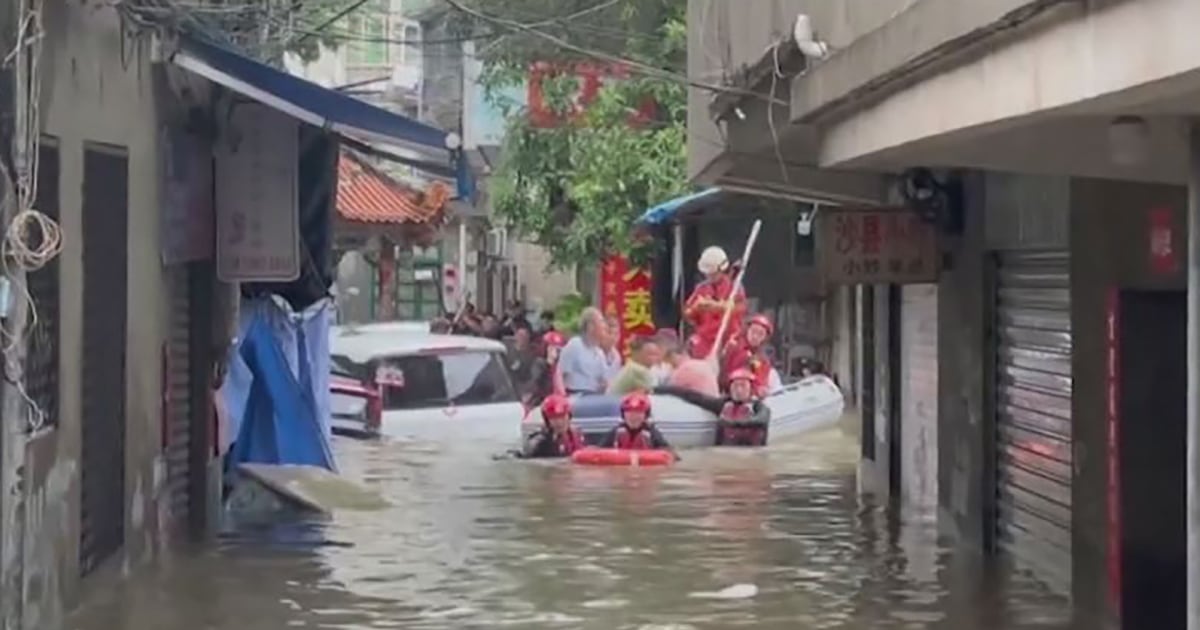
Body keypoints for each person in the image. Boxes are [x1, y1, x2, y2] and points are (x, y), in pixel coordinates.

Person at [657, 368, 771, 447]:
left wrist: (732, 423)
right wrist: (662, 390)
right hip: (726, 455)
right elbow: (693, 396)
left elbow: (760, 420)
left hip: (752, 456)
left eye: (743, 386)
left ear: (751, 390)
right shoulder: (722, 405)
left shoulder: (759, 407)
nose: (739, 390)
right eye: (735, 386)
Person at [683, 246, 746, 360]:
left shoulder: (734, 287)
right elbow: (688, 312)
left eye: (713, 273)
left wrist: (716, 306)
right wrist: (696, 308)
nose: (709, 277)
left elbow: (739, 308)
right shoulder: (701, 288)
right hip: (705, 342)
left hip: (728, 340)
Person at [559, 308, 618, 394]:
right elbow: (561, 374)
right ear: (591, 326)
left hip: (594, 396)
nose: (604, 326)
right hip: (575, 394)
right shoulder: (575, 345)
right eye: (601, 321)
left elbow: (604, 380)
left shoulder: (599, 352)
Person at [599, 392, 675, 455]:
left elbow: (669, 453)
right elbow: (600, 450)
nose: (634, 417)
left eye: (638, 412)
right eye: (629, 412)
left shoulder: (652, 432)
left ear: (646, 415)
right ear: (623, 415)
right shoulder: (616, 432)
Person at [721, 313, 774, 397]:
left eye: (760, 334)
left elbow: (761, 382)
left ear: (764, 338)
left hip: (750, 398)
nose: (755, 336)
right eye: (753, 331)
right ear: (747, 330)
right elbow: (724, 370)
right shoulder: (734, 346)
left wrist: (760, 390)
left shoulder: (763, 360)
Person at [521, 394, 586, 458]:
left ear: (569, 416)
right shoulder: (540, 444)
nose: (559, 422)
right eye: (553, 418)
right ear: (547, 420)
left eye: (562, 416)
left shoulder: (578, 436)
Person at [525, 329, 567, 407]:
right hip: (542, 403)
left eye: (559, 350)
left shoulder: (561, 366)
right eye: (553, 349)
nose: (557, 353)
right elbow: (536, 385)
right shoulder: (540, 364)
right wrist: (548, 365)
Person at [506, 325, 537, 390]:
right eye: (520, 335)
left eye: (524, 336)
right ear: (515, 336)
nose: (522, 338)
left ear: (528, 338)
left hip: (519, 384)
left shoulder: (531, 355)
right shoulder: (507, 348)